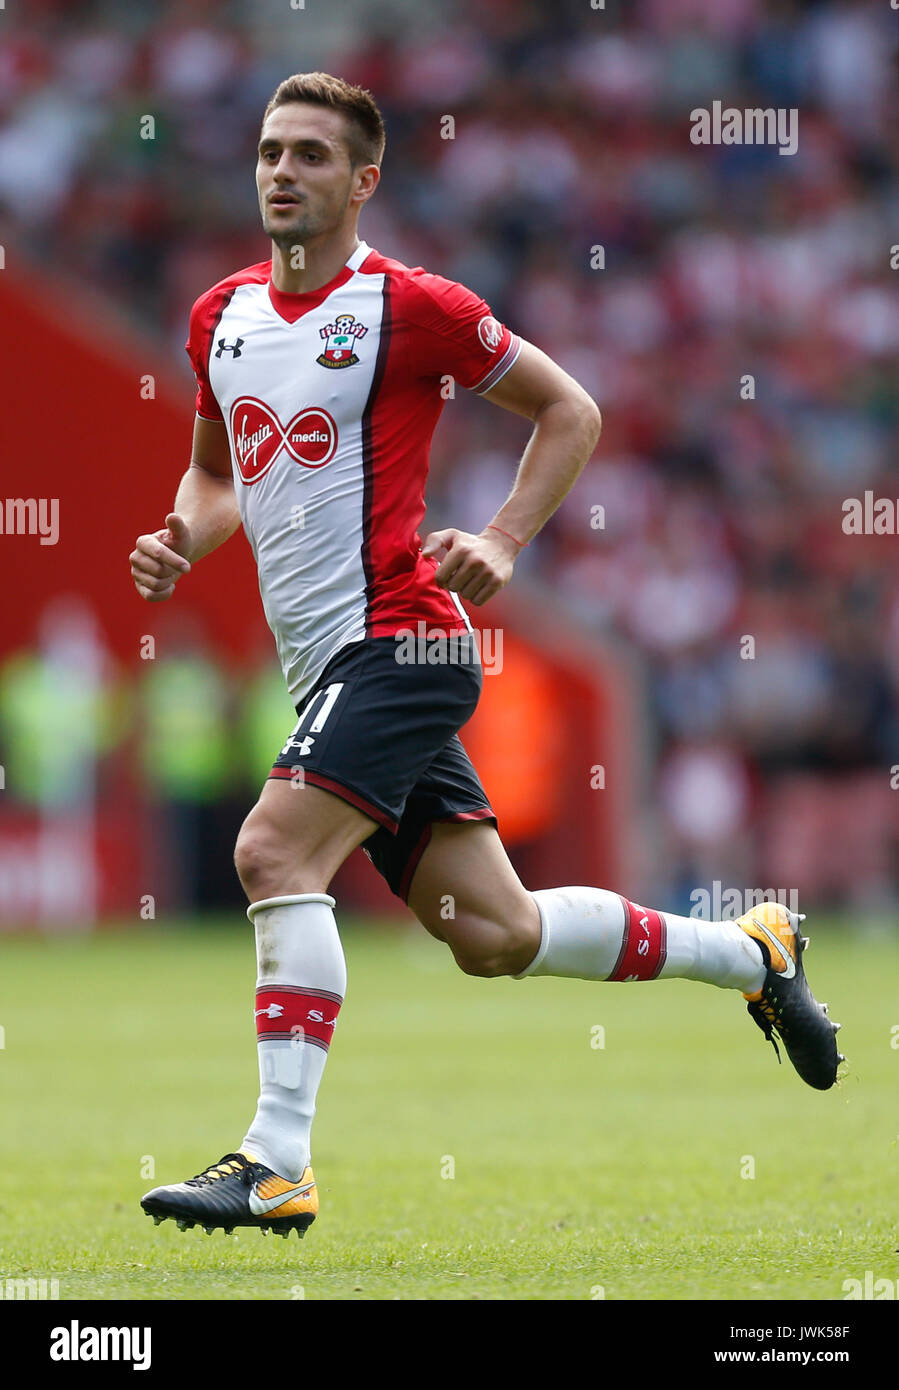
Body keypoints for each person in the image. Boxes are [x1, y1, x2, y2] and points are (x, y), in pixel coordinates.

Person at [130, 73, 842, 1241]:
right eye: (268, 151)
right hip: (329, 667)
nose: (279, 172)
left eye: (310, 155)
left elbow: (571, 409)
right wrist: (179, 537)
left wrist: (504, 538)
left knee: (269, 850)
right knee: (492, 935)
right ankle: (750, 952)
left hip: (404, 639)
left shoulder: (411, 307)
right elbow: (219, 475)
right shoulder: (219, 318)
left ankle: (274, 1161)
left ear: (363, 182)